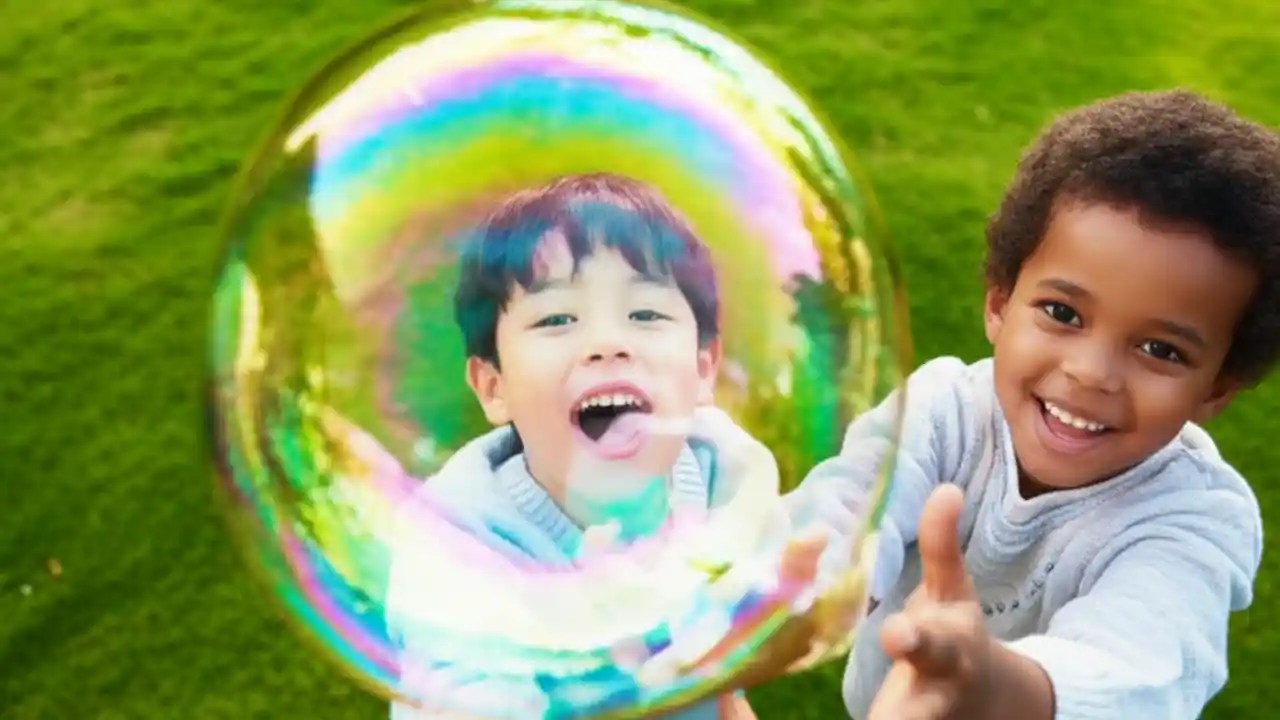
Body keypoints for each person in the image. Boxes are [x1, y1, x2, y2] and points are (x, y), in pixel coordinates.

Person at [786, 89, 1280, 719]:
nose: (1090, 372)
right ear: (999, 302)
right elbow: (849, 511)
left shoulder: (1197, 518)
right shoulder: (942, 413)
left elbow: (1141, 673)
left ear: (1217, 386)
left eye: (1161, 349)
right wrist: (787, 595)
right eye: (1062, 312)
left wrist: (988, 682)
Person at [385, 172, 788, 719]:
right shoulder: (456, 554)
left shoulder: (728, 487)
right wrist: (599, 658)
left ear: (701, 369)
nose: (606, 343)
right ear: (493, 386)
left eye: (645, 313)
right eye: (556, 319)